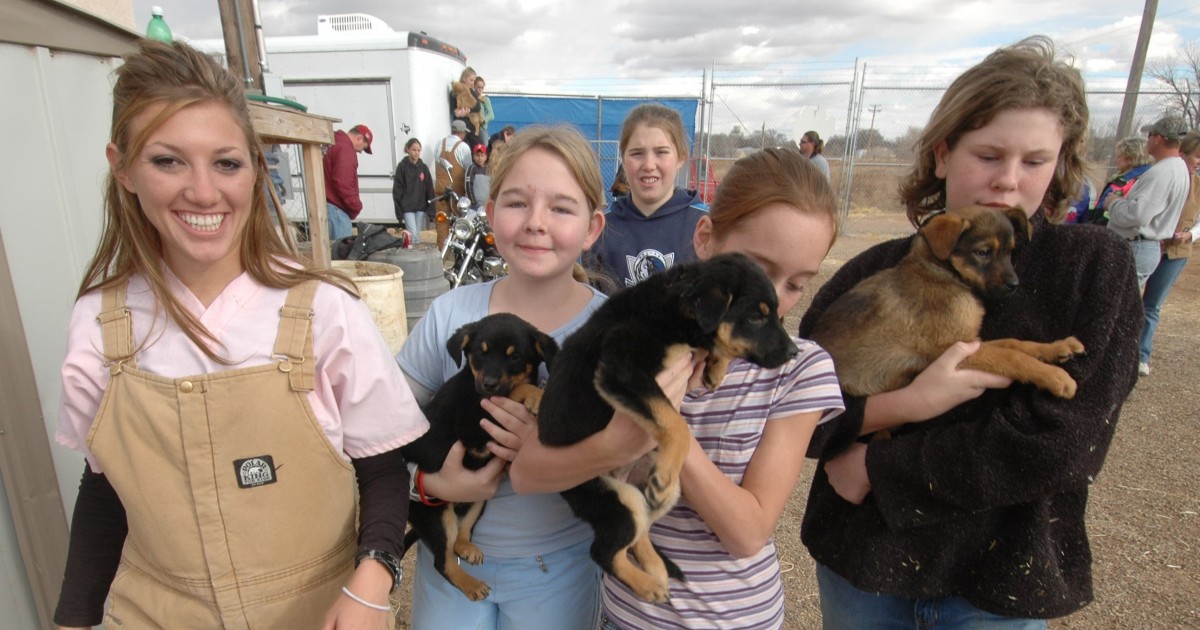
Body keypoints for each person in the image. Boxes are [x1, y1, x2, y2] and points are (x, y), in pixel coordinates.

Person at [52, 40, 428, 629]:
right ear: (122, 166)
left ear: (255, 168)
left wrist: (372, 580)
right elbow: (104, 490)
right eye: (167, 161)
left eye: (226, 162)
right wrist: (72, 619)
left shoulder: (326, 312)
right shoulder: (100, 324)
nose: (203, 191)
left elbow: (382, 469)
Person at [797, 36, 1143, 629]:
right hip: (863, 565)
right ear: (940, 154)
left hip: (996, 583)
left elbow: (1063, 440)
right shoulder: (871, 273)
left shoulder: (1092, 269)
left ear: (1060, 164)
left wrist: (881, 469)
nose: (1008, 180)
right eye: (988, 154)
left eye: (1035, 161)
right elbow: (800, 410)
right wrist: (898, 405)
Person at [509, 147, 845, 629]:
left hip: (740, 619)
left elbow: (748, 533)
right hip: (630, 619)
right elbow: (528, 474)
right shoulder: (640, 335)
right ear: (705, 239)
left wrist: (668, 429)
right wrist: (613, 442)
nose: (772, 296)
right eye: (758, 268)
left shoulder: (801, 371)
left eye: (797, 283)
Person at [396, 126, 609, 629]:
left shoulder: (609, 332)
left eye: (561, 208)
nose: (536, 223)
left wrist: (553, 445)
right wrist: (425, 484)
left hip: (559, 567)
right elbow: (386, 428)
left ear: (592, 228)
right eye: (516, 203)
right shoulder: (451, 314)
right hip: (447, 556)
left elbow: (625, 450)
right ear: (490, 215)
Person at [588, 103, 708, 289]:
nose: (649, 165)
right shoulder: (603, 226)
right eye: (637, 153)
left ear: (681, 158)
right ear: (623, 159)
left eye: (661, 152)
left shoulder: (705, 223)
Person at [1138, 130, 1200, 376]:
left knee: (1152, 305)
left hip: (1177, 251)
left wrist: (1191, 235)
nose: (1197, 163)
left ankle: (1141, 356)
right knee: (1131, 299)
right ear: (1182, 154)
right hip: (1151, 244)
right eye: (1195, 157)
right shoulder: (1165, 176)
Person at [1104, 115, 1192, 289]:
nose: (1147, 140)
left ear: (1159, 139)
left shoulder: (1163, 172)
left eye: (1150, 135)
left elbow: (1137, 215)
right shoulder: (1177, 167)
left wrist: (1113, 203)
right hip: (1142, 246)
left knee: (1112, 308)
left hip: (1136, 246)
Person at [1079, 136, 1152, 225]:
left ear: (1130, 159)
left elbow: (1105, 212)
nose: (1115, 160)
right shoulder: (1145, 175)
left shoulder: (1127, 182)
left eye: (1119, 157)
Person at [324, 122, 373, 240]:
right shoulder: (346, 150)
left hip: (328, 206)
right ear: (359, 138)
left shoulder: (333, 144)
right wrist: (356, 206)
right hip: (337, 210)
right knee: (343, 253)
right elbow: (343, 182)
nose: (361, 152)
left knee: (331, 253)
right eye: (364, 147)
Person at [433, 120, 472, 249]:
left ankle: (442, 251)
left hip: (440, 191)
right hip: (457, 192)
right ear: (462, 133)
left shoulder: (439, 144)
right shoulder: (463, 147)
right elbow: (469, 170)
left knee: (442, 222)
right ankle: (458, 250)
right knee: (461, 223)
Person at [393, 137, 435, 245]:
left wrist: (431, 210)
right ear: (407, 149)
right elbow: (397, 190)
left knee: (417, 235)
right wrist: (399, 211)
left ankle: (414, 254)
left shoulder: (423, 168)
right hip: (407, 207)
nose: (416, 153)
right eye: (414, 150)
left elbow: (429, 188)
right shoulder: (402, 167)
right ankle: (412, 255)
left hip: (420, 206)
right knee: (413, 233)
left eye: (418, 150)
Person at [450, 66, 483, 147]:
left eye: (474, 81)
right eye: (471, 80)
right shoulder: (457, 90)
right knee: (460, 147)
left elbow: (478, 106)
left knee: (478, 147)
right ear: (464, 79)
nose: (472, 83)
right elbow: (452, 109)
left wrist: (466, 109)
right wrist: (457, 113)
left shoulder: (472, 92)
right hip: (460, 127)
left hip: (472, 126)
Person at [465, 143, 491, 210]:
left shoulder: (488, 169)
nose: (480, 158)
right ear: (473, 157)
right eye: (477, 155)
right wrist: (474, 203)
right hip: (474, 206)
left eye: (482, 155)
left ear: (486, 157)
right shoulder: (472, 168)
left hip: (486, 206)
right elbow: (468, 186)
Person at [475, 75, 495, 141]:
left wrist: (483, 121)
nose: (480, 90)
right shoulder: (471, 99)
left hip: (482, 128)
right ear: (474, 86)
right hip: (472, 127)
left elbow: (491, 115)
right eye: (478, 87)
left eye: (482, 88)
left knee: (484, 148)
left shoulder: (485, 99)